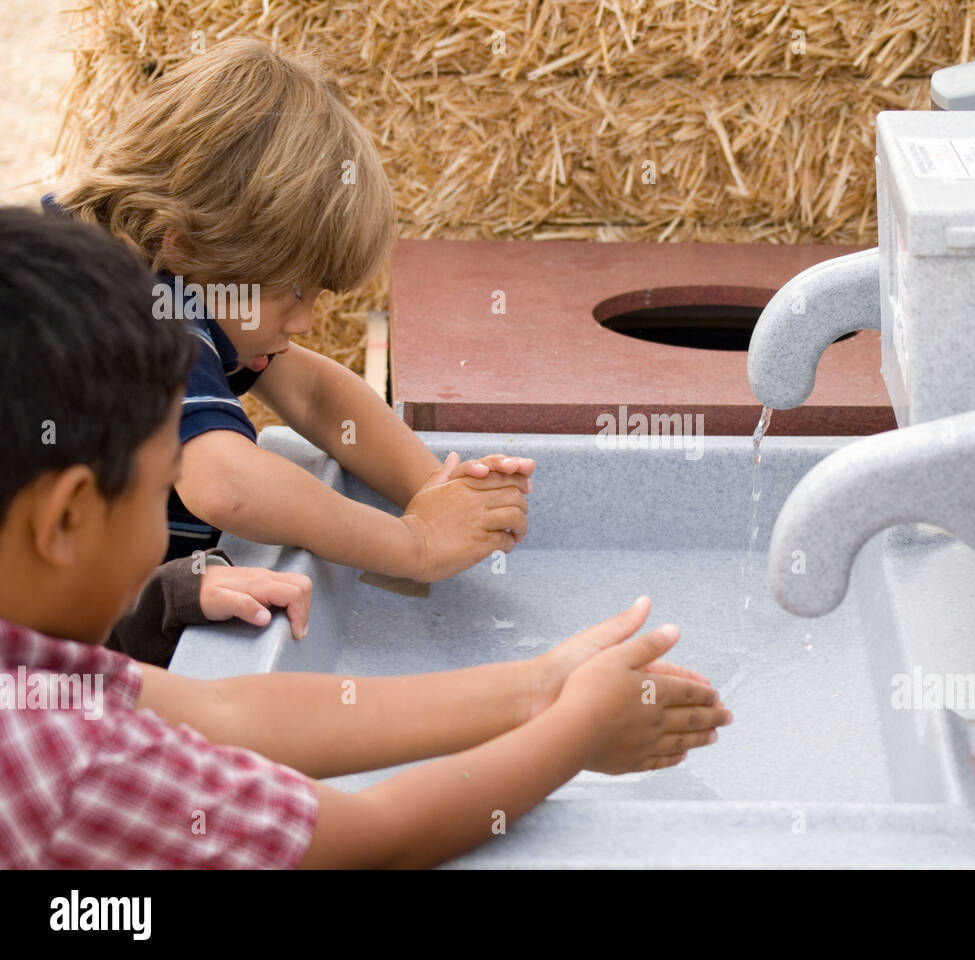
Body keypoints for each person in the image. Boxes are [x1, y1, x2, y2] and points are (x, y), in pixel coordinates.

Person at [0, 207, 730, 868]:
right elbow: (371, 839)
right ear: (66, 519)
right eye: (163, 477)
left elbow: (228, 713)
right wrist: (577, 733)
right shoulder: (64, 765)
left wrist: (541, 686)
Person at [50, 36, 533, 584]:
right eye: (292, 290)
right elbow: (225, 486)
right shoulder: (137, 311)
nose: (304, 322)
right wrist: (414, 543)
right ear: (183, 242)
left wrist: (435, 491)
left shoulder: (165, 269)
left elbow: (313, 393)